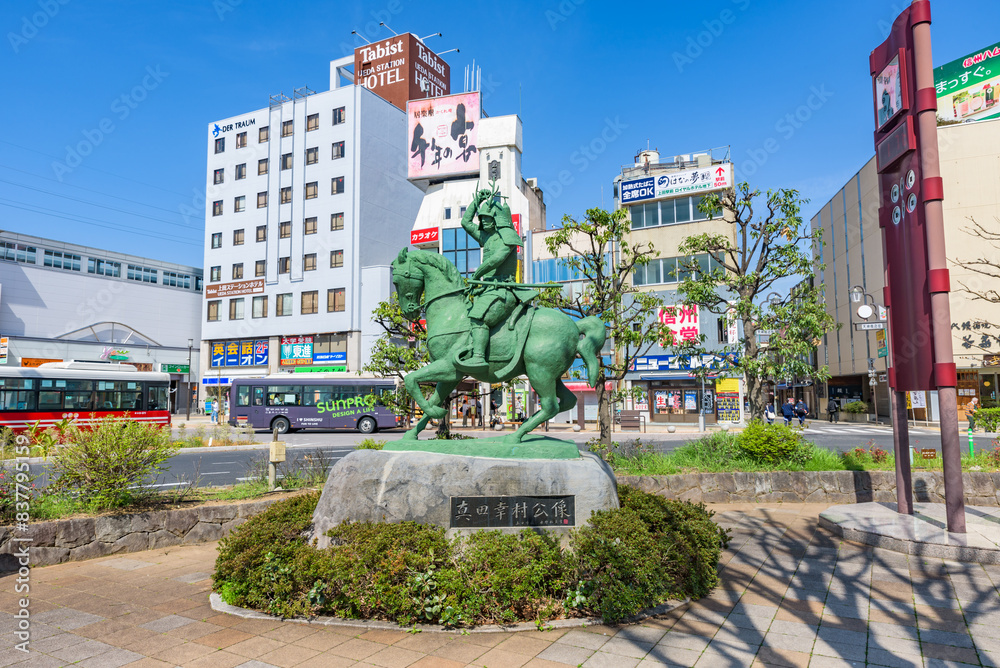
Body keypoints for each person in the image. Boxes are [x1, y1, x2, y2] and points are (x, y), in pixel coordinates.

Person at [458, 188, 536, 373]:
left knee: (478, 316)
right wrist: (476, 201)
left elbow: (495, 260)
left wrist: (477, 274)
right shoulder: (486, 237)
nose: (483, 221)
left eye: (488, 218)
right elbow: (465, 222)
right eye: (482, 217)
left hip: (503, 289)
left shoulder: (507, 238)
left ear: (498, 220)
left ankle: (478, 357)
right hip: (488, 289)